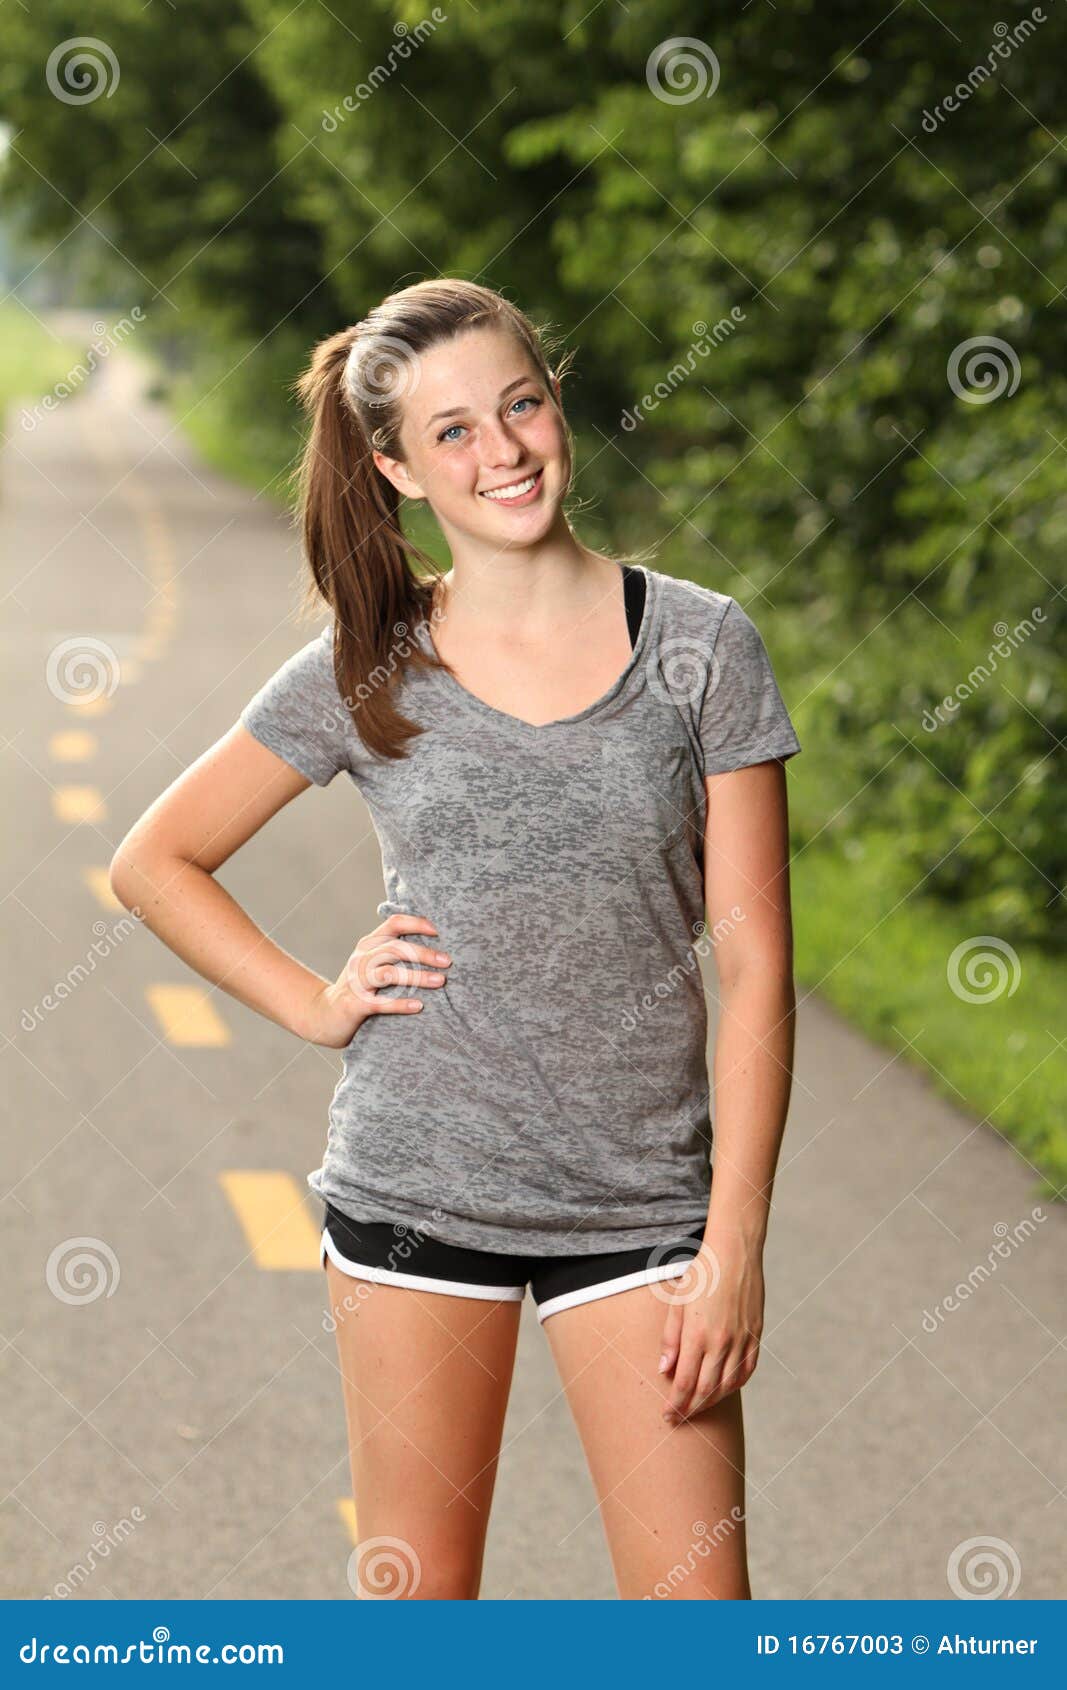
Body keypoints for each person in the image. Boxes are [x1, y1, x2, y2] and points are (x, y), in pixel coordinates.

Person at [109, 277, 802, 1601]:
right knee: (420, 1630)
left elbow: (758, 964)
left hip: (646, 1209)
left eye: (522, 406)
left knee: (700, 1635)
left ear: (557, 400)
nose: (505, 453)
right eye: (453, 435)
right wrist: (318, 1001)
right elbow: (158, 858)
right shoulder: (370, 661)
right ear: (396, 469)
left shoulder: (707, 647)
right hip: (417, 1193)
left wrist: (735, 1247)